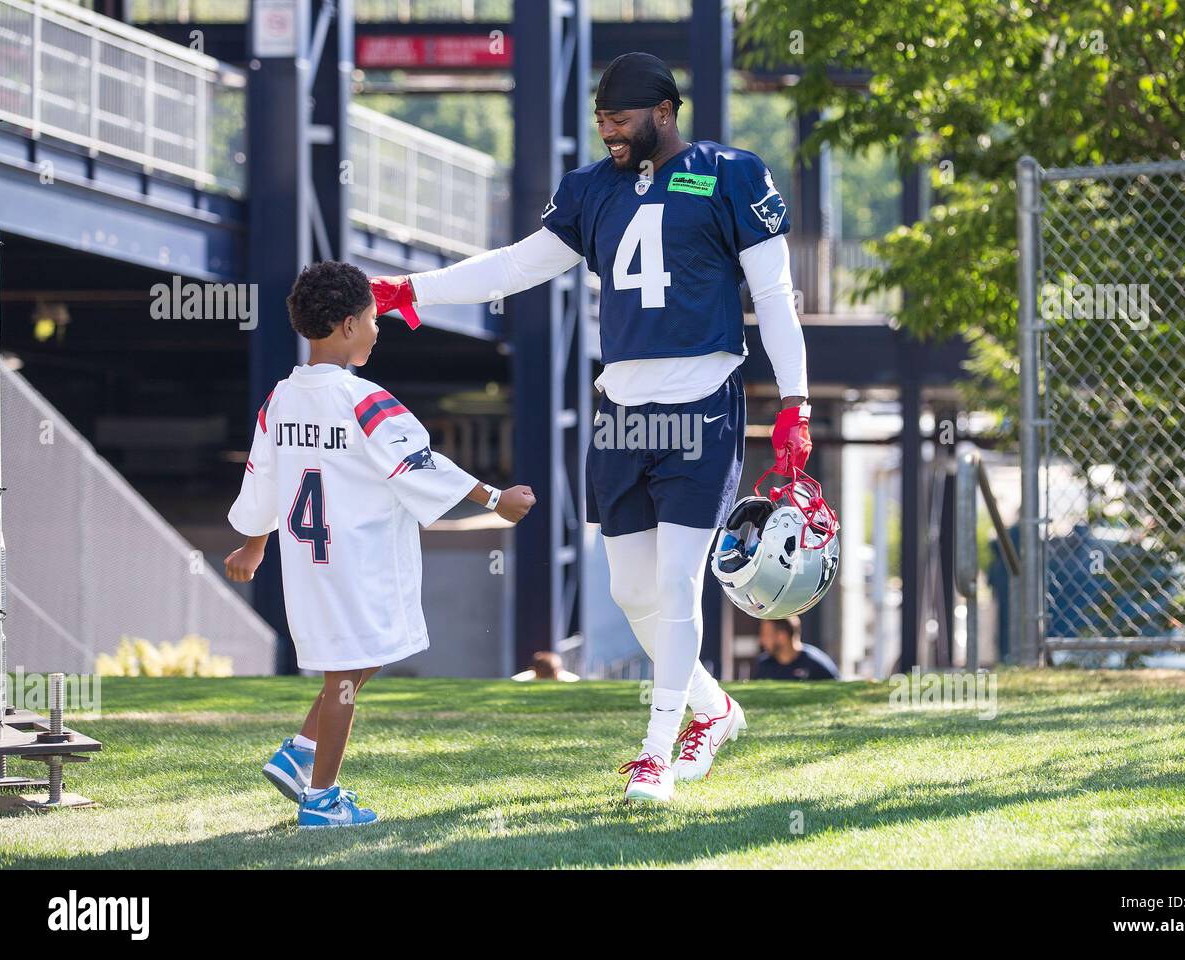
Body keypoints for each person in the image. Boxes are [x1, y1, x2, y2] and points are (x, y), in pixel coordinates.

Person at [370, 52, 811, 803]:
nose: (608, 131)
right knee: (632, 590)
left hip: (701, 402)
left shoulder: (732, 173)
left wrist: (795, 403)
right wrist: (414, 289)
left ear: (664, 111)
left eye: (620, 119)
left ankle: (655, 753)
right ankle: (715, 709)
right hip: (620, 412)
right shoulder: (590, 191)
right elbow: (515, 266)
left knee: (676, 583)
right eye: (600, 119)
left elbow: (773, 295)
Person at [224, 260, 535, 829]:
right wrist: (496, 498)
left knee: (360, 659)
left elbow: (260, 475)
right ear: (347, 325)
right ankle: (321, 799)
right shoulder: (363, 399)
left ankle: (299, 752)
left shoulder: (281, 400)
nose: (377, 329)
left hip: (308, 561)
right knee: (346, 674)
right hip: (357, 561)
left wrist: (254, 543)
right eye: (372, 319)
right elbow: (419, 463)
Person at [754, 616, 839, 681]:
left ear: (782, 636)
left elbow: (839, 692)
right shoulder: (764, 665)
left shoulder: (816, 664)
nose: (761, 640)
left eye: (765, 634)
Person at [512, 651, 580, 682]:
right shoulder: (522, 679)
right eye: (545, 672)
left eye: (550, 671)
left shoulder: (569, 680)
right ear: (535, 670)